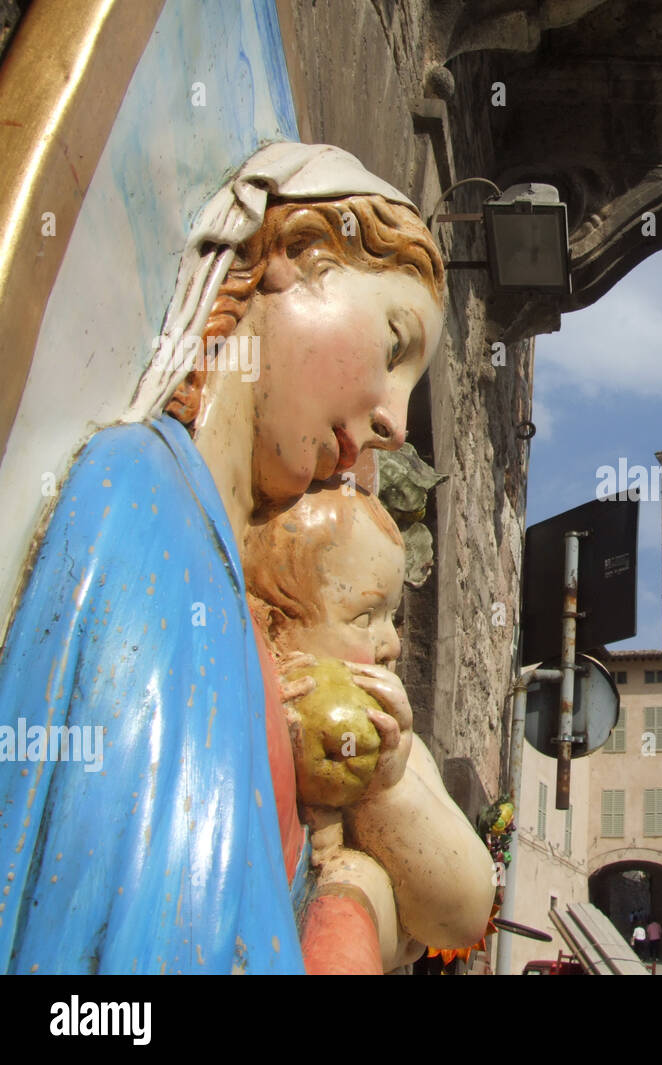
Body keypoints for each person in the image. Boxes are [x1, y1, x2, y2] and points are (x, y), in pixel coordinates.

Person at [0, 143, 448, 974]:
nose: (396, 421)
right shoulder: (145, 505)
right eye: (394, 346)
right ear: (297, 253)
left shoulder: (225, 581)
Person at [243, 484, 495, 969]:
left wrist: (387, 790)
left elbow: (464, 915)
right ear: (275, 627)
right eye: (365, 617)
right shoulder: (241, 710)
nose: (394, 644)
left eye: (394, 617)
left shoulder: (396, 749)